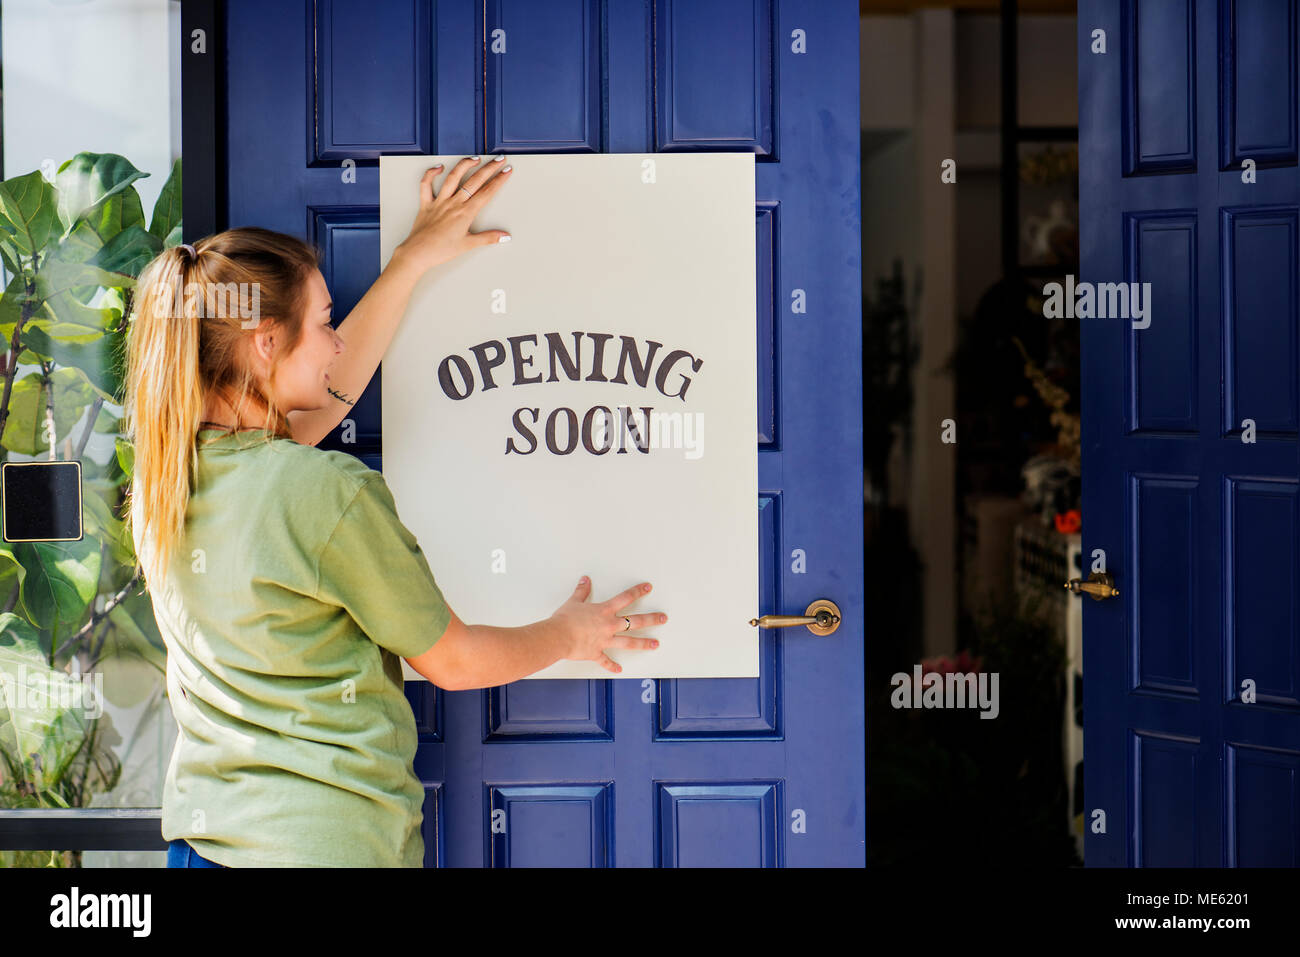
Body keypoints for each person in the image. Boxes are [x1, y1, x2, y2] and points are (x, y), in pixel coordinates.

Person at [123, 156, 665, 868]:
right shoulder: (319, 490)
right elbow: (454, 660)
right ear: (265, 344)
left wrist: (412, 261)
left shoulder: (166, 481)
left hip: (204, 847)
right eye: (323, 324)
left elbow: (313, 407)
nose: (337, 341)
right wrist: (568, 631)